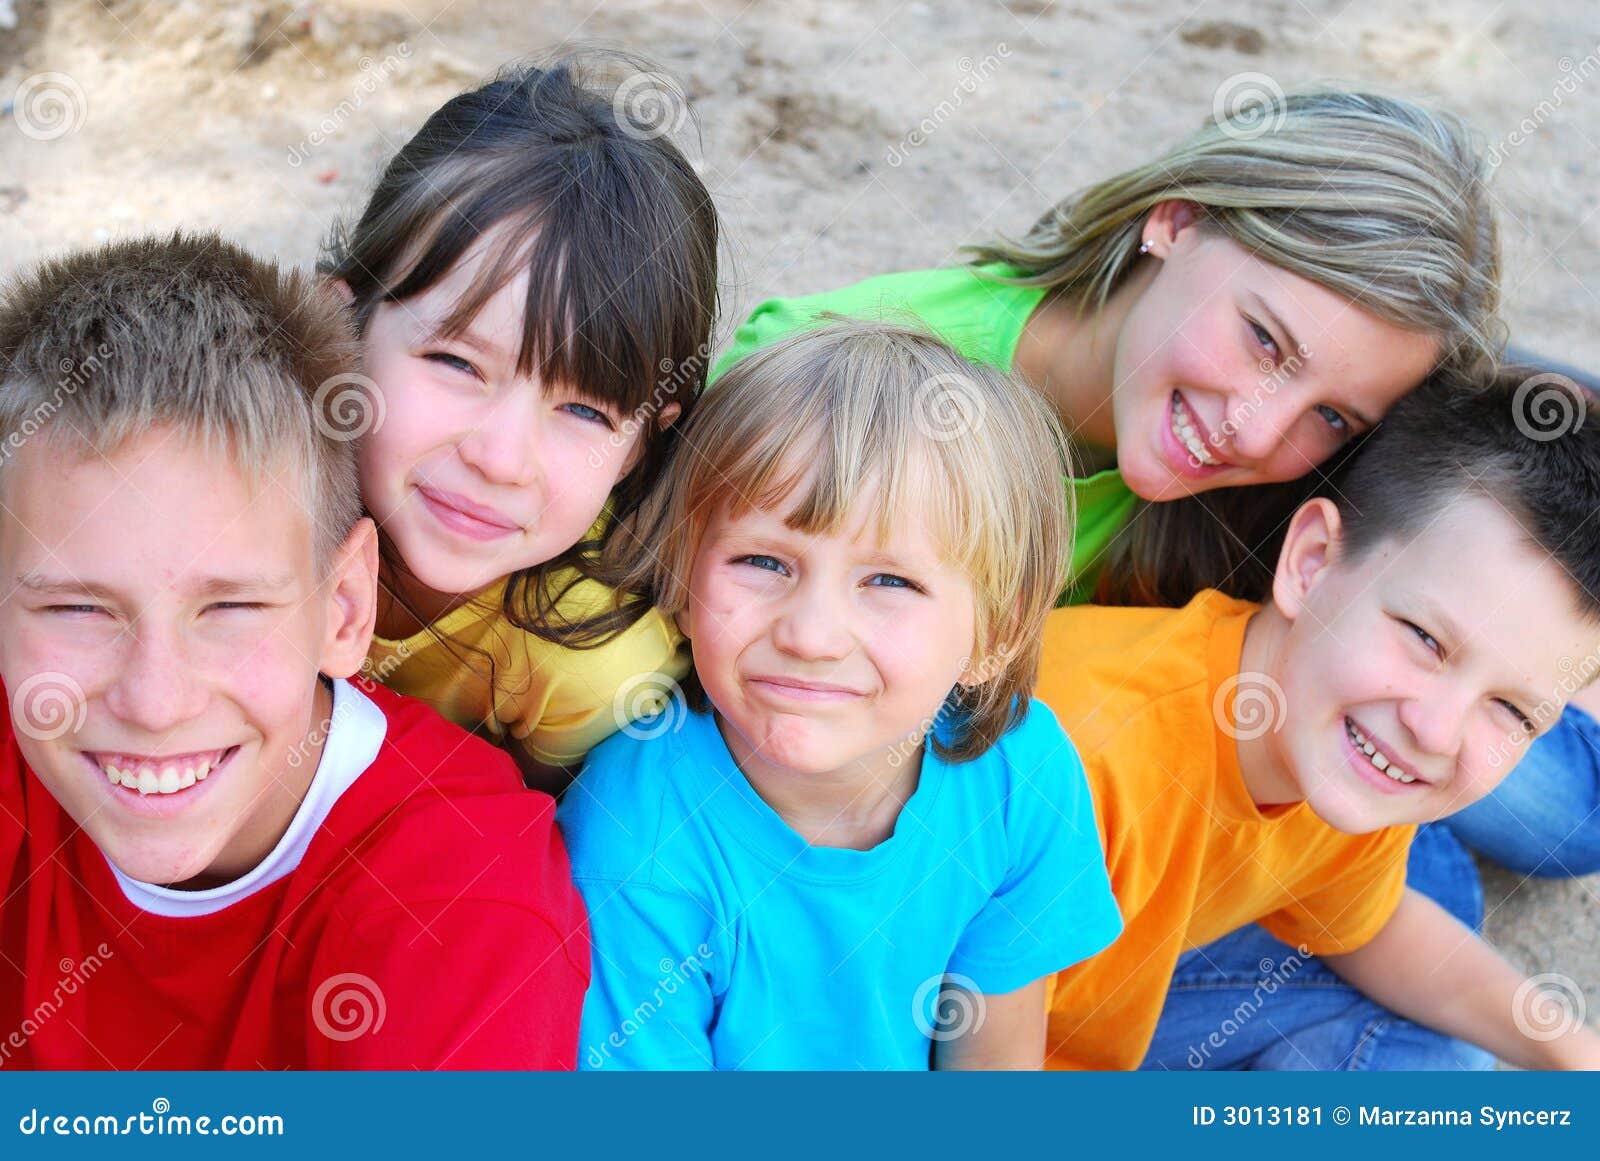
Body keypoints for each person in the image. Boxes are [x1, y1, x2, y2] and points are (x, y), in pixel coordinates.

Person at [0, 233, 589, 1069]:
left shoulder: (463, 896)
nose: (155, 701)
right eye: (77, 607)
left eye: (232, 607)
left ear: (344, 606)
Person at [560, 322, 1122, 1069]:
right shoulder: (636, 842)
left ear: (999, 630)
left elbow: (995, 1072)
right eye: (763, 560)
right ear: (684, 579)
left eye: (889, 581)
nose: (812, 633)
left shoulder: (1021, 776)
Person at [1037, 369, 1600, 1071]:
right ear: (1308, 563)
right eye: (1425, 638)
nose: (1437, 730)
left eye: (1513, 708)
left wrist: (1571, 1051)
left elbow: (1366, 921)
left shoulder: (1352, 743)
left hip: (1124, 974)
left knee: (1450, 1041)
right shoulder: (1087, 772)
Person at [321, 56, 721, 793]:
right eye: (456, 363)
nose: (501, 459)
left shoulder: (593, 665)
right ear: (340, 322)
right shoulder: (236, 495)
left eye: (583, 409)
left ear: (640, 445)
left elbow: (534, 858)